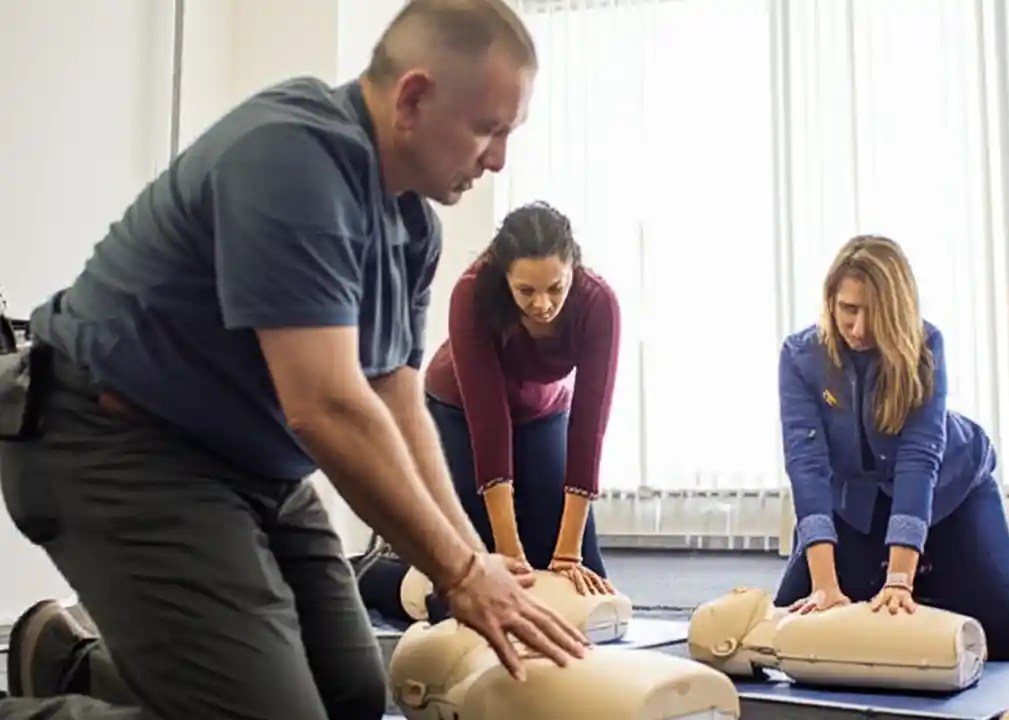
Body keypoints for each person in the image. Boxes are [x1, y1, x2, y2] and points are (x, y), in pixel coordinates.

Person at [0, 2, 590, 719]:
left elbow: (397, 404)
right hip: (113, 442)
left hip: (256, 470)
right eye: (487, 130)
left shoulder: (412, 229)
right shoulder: (293, 156)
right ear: (413, 98)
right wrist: (459, 574)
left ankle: (74, 668)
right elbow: (327, 406)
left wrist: (475, 562)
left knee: (350, 697)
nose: (497, 158)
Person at [358, 201, 622, 626]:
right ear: (504, 279)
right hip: (459, 413)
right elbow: (490, 427)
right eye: (526, 291)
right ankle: (370, 576)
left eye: (556, 287)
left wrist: (569, 553)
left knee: (585, 587)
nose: (543, 304)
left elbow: (589, 428)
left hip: (541, 413)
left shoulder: (598, 303)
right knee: (469, 588)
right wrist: (508, 557)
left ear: (574, 268)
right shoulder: (473, 292)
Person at [773, 235, 1009, 661]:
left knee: (1005, 628)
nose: (858, 329)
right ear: (830, 302)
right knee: (793, 617)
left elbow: (919, 459)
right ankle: (910, 578)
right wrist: (825, 585)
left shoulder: (926, 345)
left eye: (873, 315)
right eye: (848, 310)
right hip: (856, 498)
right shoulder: (800, 356)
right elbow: (807, 465)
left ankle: (922, 573)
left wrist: (899, 579)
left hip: (948, 489)